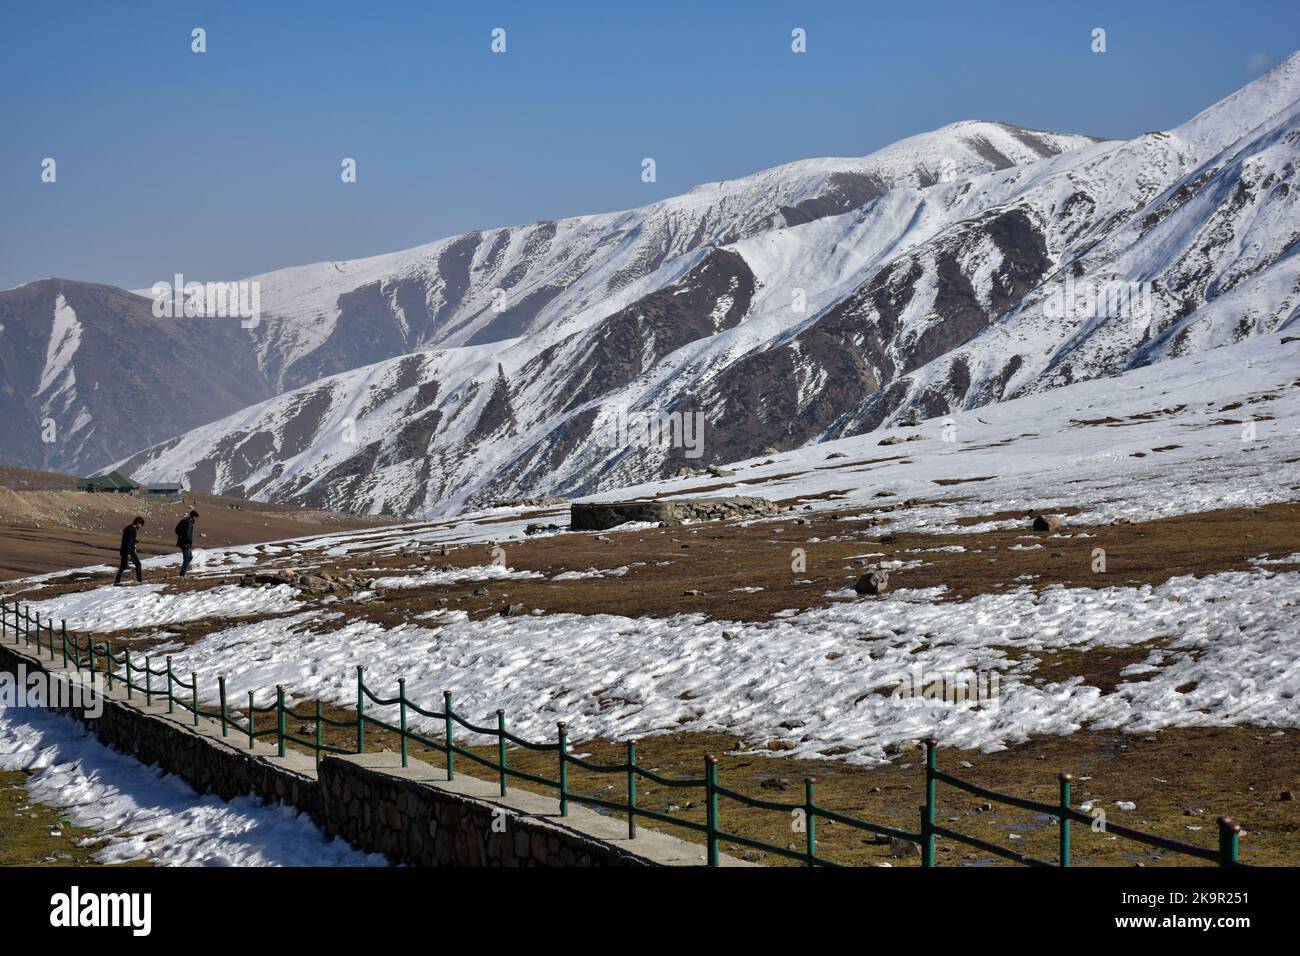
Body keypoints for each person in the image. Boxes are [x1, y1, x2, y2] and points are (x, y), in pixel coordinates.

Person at [115, 516, 145, 586]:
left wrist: (136, 541)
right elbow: (128, 542)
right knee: (138, 564)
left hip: (124, 550)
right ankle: (139, 581)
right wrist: (128, 553)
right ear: (138, 523)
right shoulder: (132, 530)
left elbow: (129, 540)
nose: (140, 527)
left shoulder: (128, 528)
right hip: (129, 551)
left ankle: (117, 581)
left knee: (123, 566)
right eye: (141, 525)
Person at [175, 510, 198, 577]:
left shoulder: (183, 521)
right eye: (196, 518)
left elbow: (176, 530)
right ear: (193, 517)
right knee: (187, 559)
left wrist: (180, 536)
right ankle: (182, 574)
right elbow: (188, 534)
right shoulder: (189, 523)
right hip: (186, 544)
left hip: (181, 542)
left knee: (190, 557)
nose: (196, 520)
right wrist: (189, 541)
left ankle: (183, 572)